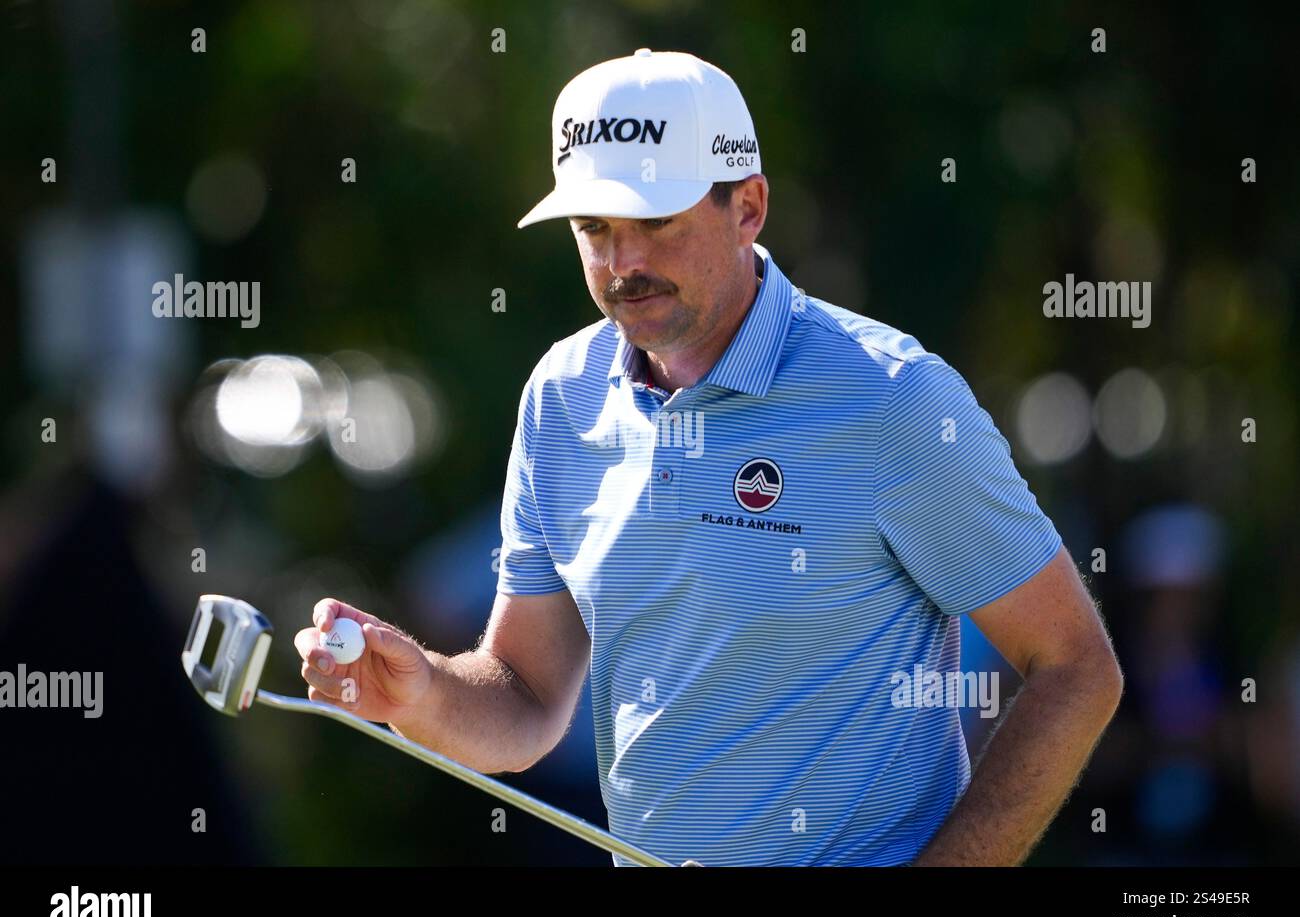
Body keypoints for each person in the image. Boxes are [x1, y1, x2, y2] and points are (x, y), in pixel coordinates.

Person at [295, 49, 1123, 866]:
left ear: (749, 207)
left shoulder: (890, 398)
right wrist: (425, 693)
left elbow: (1076, 668)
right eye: (594, 229)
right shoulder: (561, 395)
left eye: (655, 221)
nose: (624, 264)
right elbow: (527, 698)